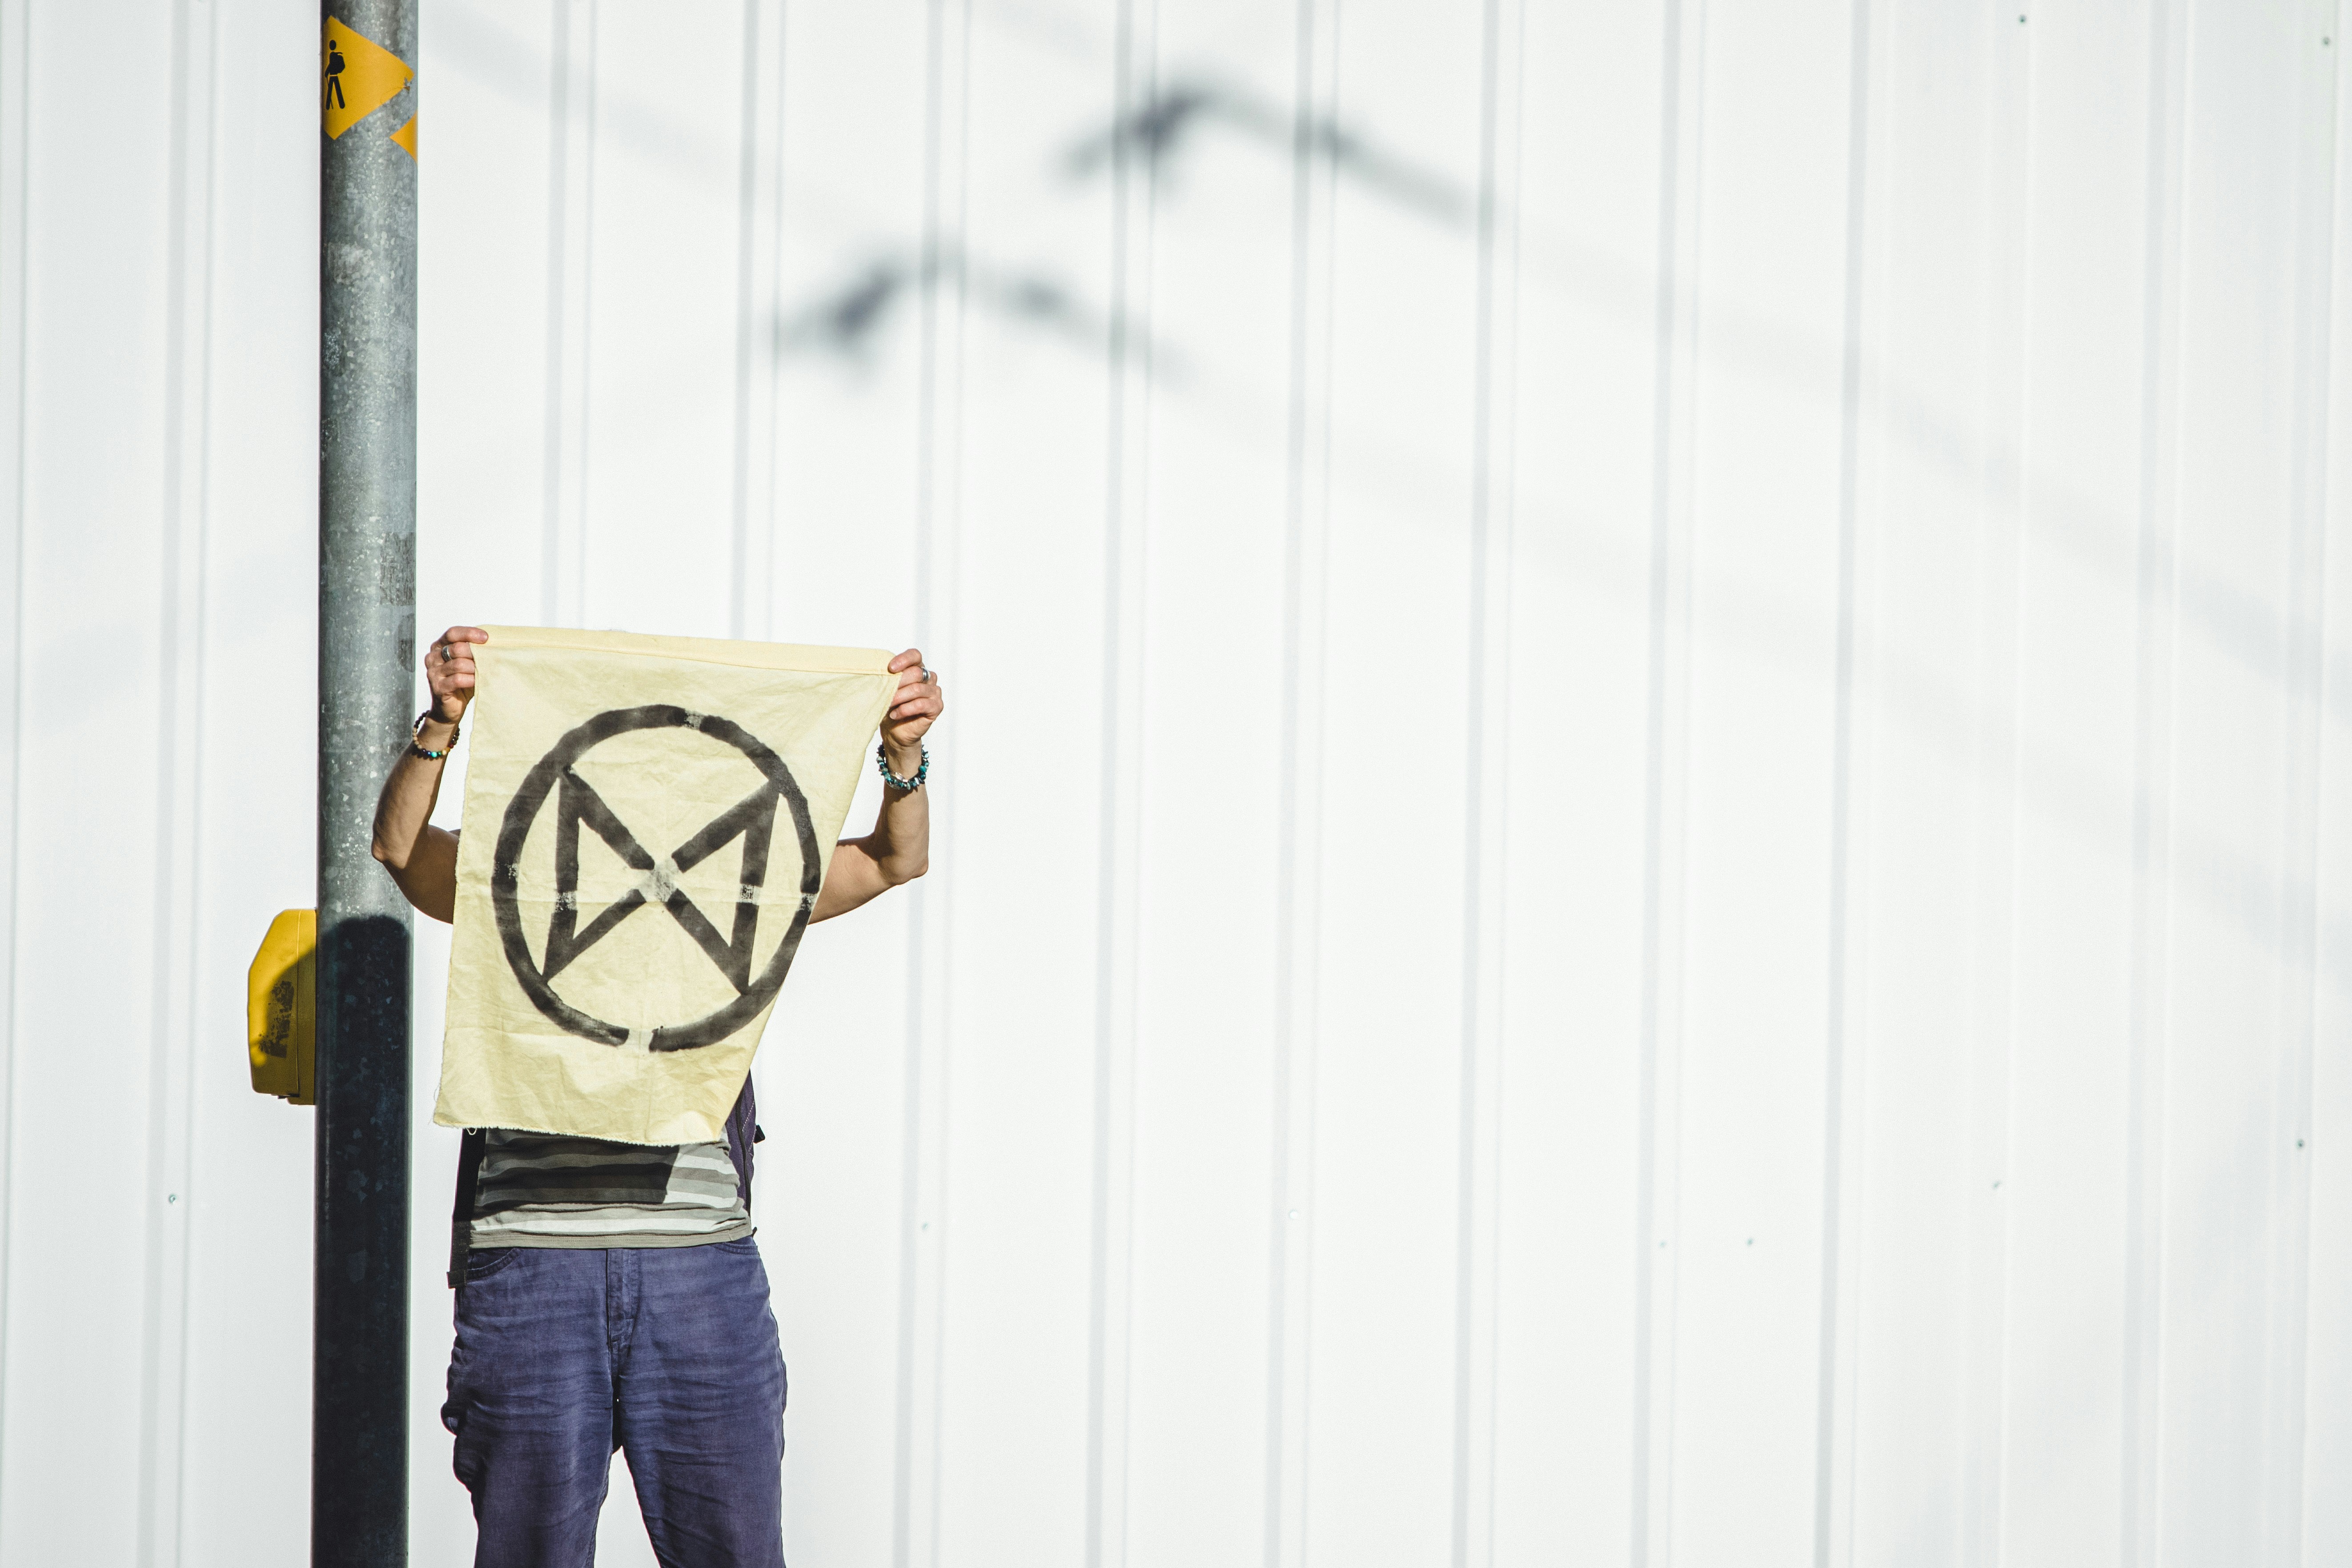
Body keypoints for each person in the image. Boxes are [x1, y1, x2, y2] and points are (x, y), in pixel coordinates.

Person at [370, 624, 944, 1568]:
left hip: (700, 1272)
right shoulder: (512, 879)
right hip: (530, 1271)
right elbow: (399, 848)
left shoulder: (735, 889)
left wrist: (903, 757)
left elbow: (890, 860)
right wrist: (444, 723)